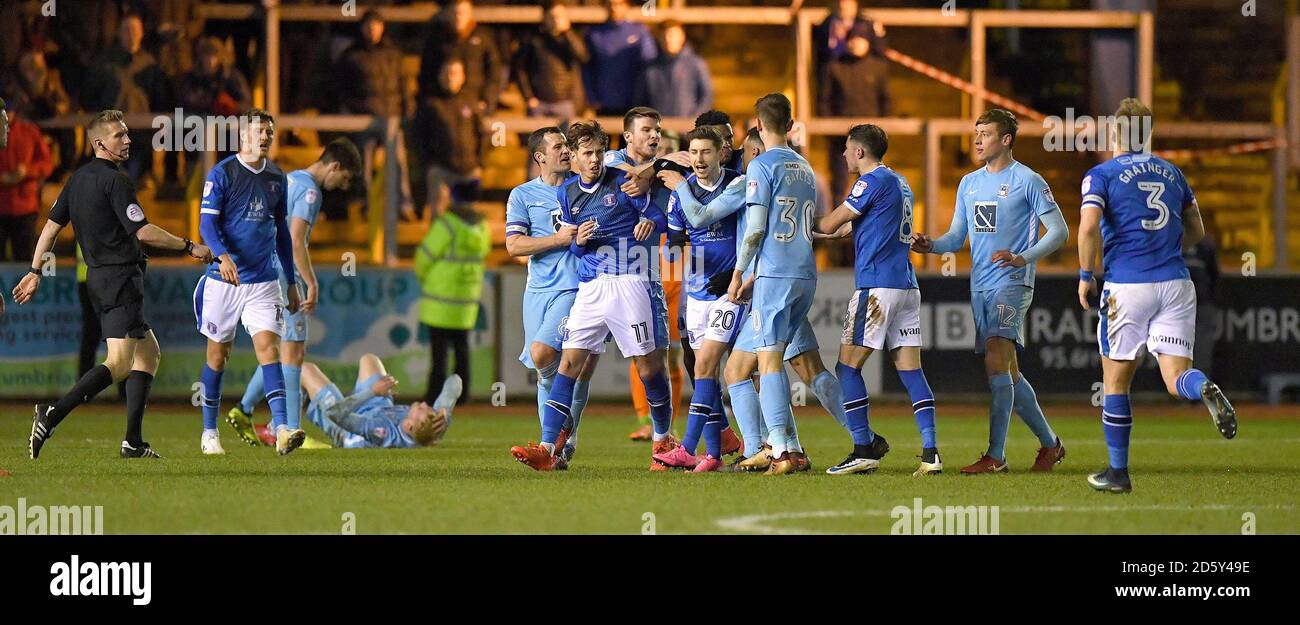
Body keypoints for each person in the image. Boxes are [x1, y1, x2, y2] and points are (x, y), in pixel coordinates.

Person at [13, 109, 214, 460]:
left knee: (148, 354)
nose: (127, 140)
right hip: (120, 279)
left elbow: (49, 229)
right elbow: (144, 231)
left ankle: (132, 442)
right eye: (119, 135)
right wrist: (190, 246)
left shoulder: (76, 180)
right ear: (99, 143)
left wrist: (34, 271)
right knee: (120, 363)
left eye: (126, 134)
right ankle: (51, 415)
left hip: (99, 280)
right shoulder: (116, 181)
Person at [1076, 98, 1236, 494]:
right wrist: (1161, 245)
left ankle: (1118, 473)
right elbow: (1197, 230)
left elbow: (1088, 228)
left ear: (1115, 133)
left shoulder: (1102, 175)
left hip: (1128, 284)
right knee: (1176, 376)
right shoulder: (1172, 172)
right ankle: (1201, 388)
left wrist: (1085, 275)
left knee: (1115, 384)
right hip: (1177, 283)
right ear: (1148, 135)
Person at [911, 109, 1069, 474]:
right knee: (1008, 373)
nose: (978, 140)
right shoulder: (969, 183)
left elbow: (1059, 232)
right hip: (979, 284)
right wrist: (931, 245)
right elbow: (956, 237)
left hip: (1012, 282)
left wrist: (1022, 258)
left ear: (1006, 139)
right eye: (976, 133)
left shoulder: (1027, 180)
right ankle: (1050, 444)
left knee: (996, 357)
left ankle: (995, 456)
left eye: (986, 133)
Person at [509, 121, 673, 472]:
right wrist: (579, 244)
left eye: (599, 152)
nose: (596, 159)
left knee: (649, 367)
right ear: (575, 157)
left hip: (629, 281)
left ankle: (662, 440)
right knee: (568, 364)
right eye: (588, 153)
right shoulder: (566, 195)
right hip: (590, 288)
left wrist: (652, 223)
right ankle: (548, 449)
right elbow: (578, 248)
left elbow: (660, 211)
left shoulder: (623, 181)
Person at [816, 124, 942, 476]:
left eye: (846, 148)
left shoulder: (869, 182)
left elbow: (830, 223)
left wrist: (796, 224)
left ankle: (862, 449)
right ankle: (931, 453)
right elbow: (853, 226)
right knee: (911, 370)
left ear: (860, 152)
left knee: (846, 366)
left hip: (876, 286)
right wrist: (832, 230)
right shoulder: (899, 182)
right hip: (906, 284)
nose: (843, 155)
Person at [228, 138, 362, 447]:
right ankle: (286, 429)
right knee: (294, 352)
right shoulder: (311, 191)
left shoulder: (290, 180)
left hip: (263, 270)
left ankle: (246, 409)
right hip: (282, 276)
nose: (342, 186)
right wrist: (310, 282)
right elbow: (295, 239)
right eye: (344, 179)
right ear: (335, 166)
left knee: (277, 348)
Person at [194, 108, 304, 456]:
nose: (265, 137)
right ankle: (209, 431)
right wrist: (222, 256)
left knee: (269, 351)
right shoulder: (222, 173)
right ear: (242, 135)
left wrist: (291, 280)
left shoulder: (276, 177)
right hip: (224, 281)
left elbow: (282, 232)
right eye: (259, 131)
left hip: (263, 280)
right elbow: (207, 225)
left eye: (270, 132)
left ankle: (283, 428)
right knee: (217, 357)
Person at [723, 93, 823, 476]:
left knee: (768, 363)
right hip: (805, 273)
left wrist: (739, 271)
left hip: (775, 274)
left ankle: (781, 450)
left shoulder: (762, 166)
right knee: (747, 365)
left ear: (759, 125)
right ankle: (787, 448)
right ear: (791, 123)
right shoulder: (806, 167)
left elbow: (756, 228)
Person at [650, 125, 746, 472]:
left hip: (731, 292)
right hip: (698, 293)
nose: (699, 159)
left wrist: (735, 269)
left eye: (706, 152)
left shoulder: (737, 184)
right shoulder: (680, 194)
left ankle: (690, 448)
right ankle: (716, 454)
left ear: (721, 152)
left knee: (708, 366)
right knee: (706, 372)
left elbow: (711, 221)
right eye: (693, 152)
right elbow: (675, 243)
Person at [505, 127, 599, 468]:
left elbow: (618, 162)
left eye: (567, 146)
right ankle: (558, 445)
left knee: (549, 355)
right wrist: (558, 240)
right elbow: (514, 245)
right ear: (539, 157)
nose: (565, 151)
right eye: (558, 146)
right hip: (538, 292)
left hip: (578, 288)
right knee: (556, 371)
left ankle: (559, 435)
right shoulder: (522, 196)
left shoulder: (586, 186)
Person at [603, 107, 686, 442]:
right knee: (635, 353)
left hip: (677, 271)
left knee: (671, 354)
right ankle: (646, 419)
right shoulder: (611, 159)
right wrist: (659, 167)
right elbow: (624, 174)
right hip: (619, 271)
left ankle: (667, 425)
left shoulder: (675, 179)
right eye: (650, 133)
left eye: (661, 135)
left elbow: (680, 216)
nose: (656, 140)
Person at [335, 9, 414, 220]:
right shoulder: (351, 56)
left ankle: (404, 205)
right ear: (362, 29)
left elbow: (404, 85)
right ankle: (367, 204)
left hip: (391, 116)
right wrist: (357, 109)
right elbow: (340, 89)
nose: (372, 30)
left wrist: (406, 113)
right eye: (368, 26)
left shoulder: (393, 53)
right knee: (364, 163)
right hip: (365, 118)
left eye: (376, 25)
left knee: (399, 161)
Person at [416, 188, 490, 407]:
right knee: (462, 350)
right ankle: (462, 397)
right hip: (466, 301)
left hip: (439, 300)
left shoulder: (447, 224)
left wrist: (427, 280)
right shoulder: (482, 226)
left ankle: (434, 397)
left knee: (439, 355)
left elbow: (424, 257)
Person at [80, 12, 171, 185]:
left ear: (142, 33)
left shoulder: (151, 65)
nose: (131, 34)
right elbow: (89, 95)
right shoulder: (104, 63)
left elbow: (160, 99)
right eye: (127, 29)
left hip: (141, 136)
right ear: (119, 32)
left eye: (135, 29)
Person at [814, 0, 890, 200]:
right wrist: (827, 125)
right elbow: (824, 98)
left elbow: (886, 99)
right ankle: (839, 220)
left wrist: (884, 127)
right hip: (840, 129)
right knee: (839, 178)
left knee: (872, 178)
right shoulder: (833, 66)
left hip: (869, 129)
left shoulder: (877, 67)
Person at [301, 355, 461, 449]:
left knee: (305, 369)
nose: (425, 405)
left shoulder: (383, 432)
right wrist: (445, 409)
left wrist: (372, 392)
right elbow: (455, 380)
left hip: (345, 427)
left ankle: (284, 429)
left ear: (409, 426)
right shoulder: (433, 425)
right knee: (369, 359)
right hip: (378, 408)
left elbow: (335, 413)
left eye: (423, 410)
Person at [413, 59, 484, 219]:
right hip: (441, 169)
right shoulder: (431, 105)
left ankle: (463, 246)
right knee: (438, 217)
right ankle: (440, 245)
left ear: (462, 77)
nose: (450, 77)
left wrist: (479, 161)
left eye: (454, 73)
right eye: (446, 73)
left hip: (468, 169)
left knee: (467, 217)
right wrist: (429, 164)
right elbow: (419, 137)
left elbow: (481, 133)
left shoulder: (470, 102)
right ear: (439, 76)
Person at [418, 0, 501, 116]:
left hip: (473, 102)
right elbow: (426, 72)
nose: (459, 17)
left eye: (463, 13)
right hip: (443, 104)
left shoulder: (483, 39)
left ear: (470, 14)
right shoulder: (437, 40)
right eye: (455, 13)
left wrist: (487, 99)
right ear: (448, 14)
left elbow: (494, 71)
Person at [513, 0, 589, 120]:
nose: (556, 20)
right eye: (552, 16)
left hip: (566, 103)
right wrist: (528, 97)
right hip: (539, 103)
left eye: (560, 16)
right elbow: (520, 69)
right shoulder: (532, 40)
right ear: (544, 17)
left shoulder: (572, 39)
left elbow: (583, 57)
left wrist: (567, 33)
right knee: (537, 138)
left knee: (566, 138)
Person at [0, 104, 53, 262]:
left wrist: (27, 172)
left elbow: (46, 163)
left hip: (25, 209)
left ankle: (22, 288)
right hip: (6, 207)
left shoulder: (29, 131)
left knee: (24, 259)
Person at [583, 0, 656, 115]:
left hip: (634, 102)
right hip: (604, 102)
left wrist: (644, 98)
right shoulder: (594, 34)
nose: (614, 8)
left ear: (627, 6)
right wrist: (592, 98)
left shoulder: (640, 32)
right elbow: (587, 69)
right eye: (610, 4)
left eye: (619, 4)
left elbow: (650, 65)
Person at [643, 20, 713, 119]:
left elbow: (706, 96)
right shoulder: (650, 69)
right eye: (664, 35)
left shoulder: (696, 65)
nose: (668, 39)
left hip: (687, 130)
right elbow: (640, 101)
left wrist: (692, 121)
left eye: (672, 35)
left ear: (682, 36)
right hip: (658, 131)